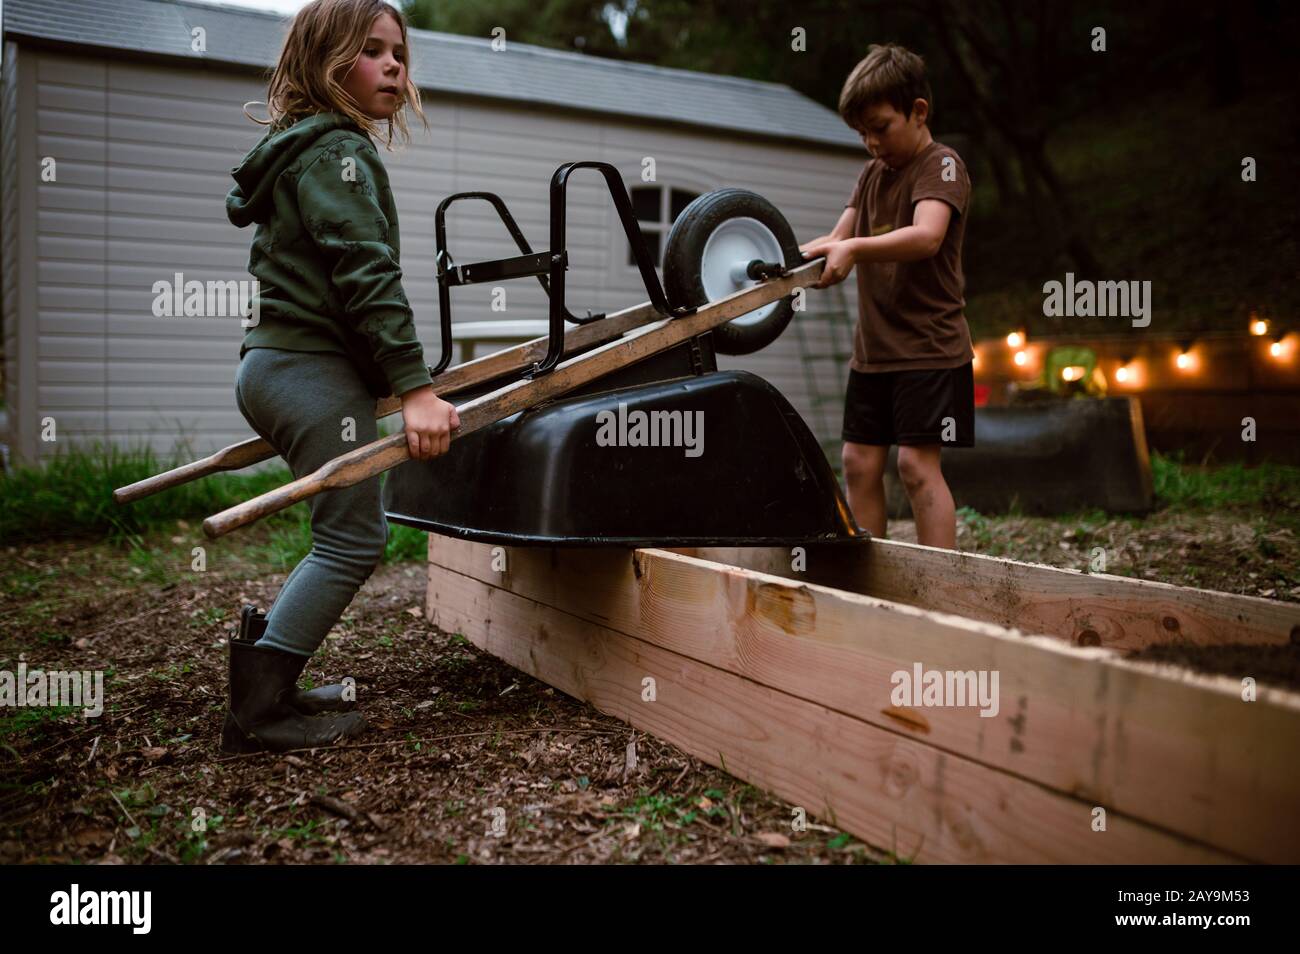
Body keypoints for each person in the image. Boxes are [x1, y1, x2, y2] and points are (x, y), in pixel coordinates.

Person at [221, 0, 458, 753]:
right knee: (356, 538)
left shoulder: (309, 149)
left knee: (344, 528)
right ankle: (259, 710)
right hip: (305, 370)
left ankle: (270, 677)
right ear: (326, 62)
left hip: (278, 366)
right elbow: (367, 275)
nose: (395, 65)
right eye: (373, 51)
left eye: (400, 53)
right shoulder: (335, 155)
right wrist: (417, 390)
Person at [800, 43, 974, 550]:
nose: (872, 143)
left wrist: (852, 248)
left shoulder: (941, 166)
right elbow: (837, 238)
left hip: (929, 349)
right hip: (873, 353)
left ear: (918, 111)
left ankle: (938, 586)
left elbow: (926, 237)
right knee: (857, 462)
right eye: (862, 134)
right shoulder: (873, 173)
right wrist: (784, 255)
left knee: (916, 467)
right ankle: (870, 580)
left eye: (881, 127)